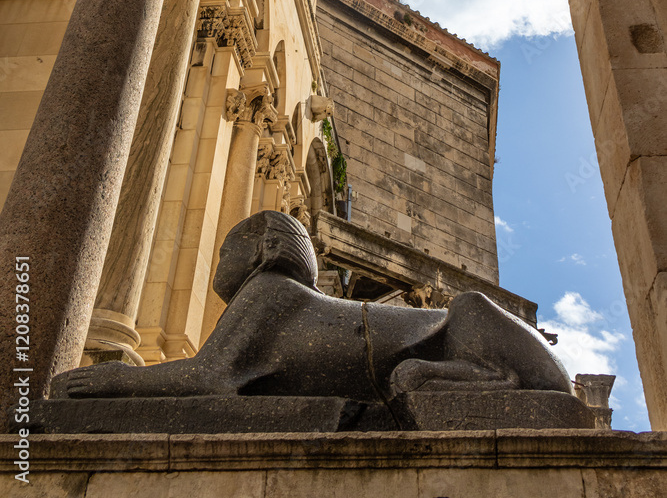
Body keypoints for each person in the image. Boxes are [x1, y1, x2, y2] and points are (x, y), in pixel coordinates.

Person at [51, 211, 572, 402]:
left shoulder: (271, 292)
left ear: (260, 250)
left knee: (470, 306)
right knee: (415, 371)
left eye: (227, 247)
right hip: (431, 357)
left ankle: (493, 380)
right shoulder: (273, 301)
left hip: (485, 349)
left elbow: (210, 379)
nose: (218, 260)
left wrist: (113, 379)